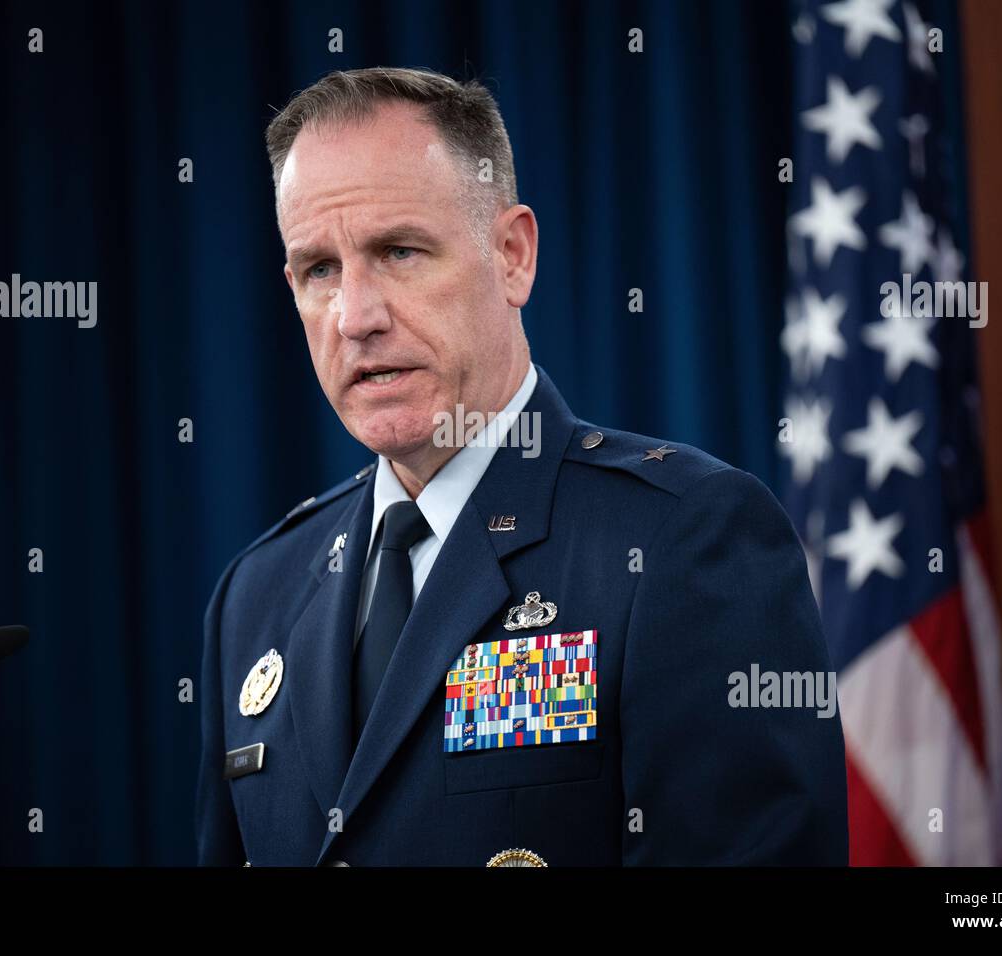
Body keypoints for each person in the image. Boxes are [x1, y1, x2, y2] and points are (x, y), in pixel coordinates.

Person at [196, 66, 847, 866]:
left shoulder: (684, 539)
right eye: (319, 270)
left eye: (399, 251)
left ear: (512, 256)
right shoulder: (255, 596)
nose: (355, 317)